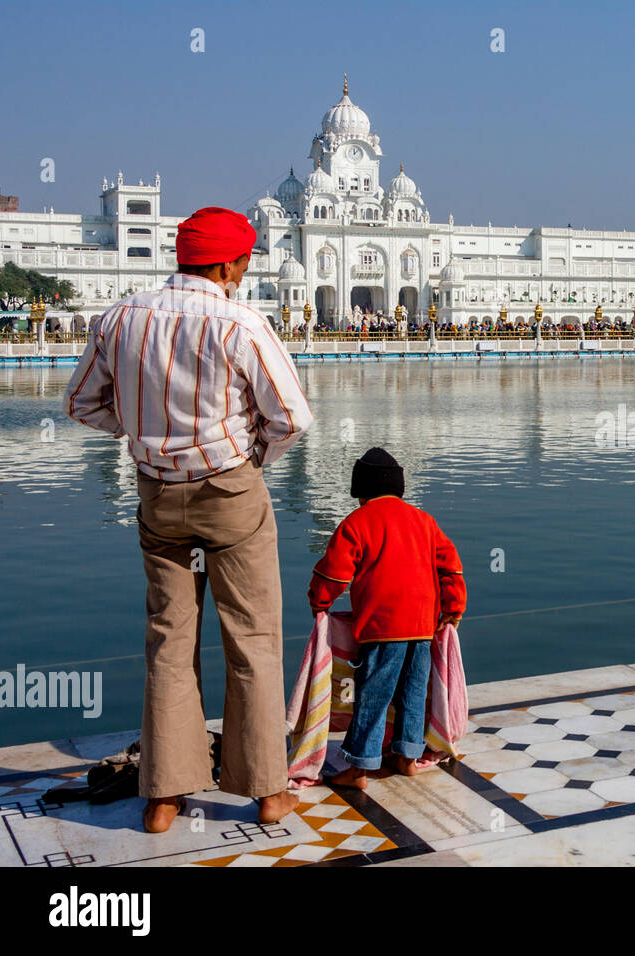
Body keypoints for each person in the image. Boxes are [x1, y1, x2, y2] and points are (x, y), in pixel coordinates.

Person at [64, 206, 314, 833]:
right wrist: (250, 456)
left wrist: (141, 431)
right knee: (252, 640)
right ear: (232, 264)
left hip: (157, 496)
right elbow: (292, 417)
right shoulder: (241, 323)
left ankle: (164, 799)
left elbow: (80, 403)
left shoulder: (123, 316)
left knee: (169, 640)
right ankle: (266, 792)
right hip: (231, 496)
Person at [308, 448, 467, 790]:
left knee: (374, 694)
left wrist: (318, 601)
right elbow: (450, 566)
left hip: (382, 626)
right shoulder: (424, 521)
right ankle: (407, 757)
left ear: (360, 492)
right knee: (412, 688)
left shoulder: (357, 522)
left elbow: (335, 574)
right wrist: (453, 608)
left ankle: (360, 767)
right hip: (425, 623)